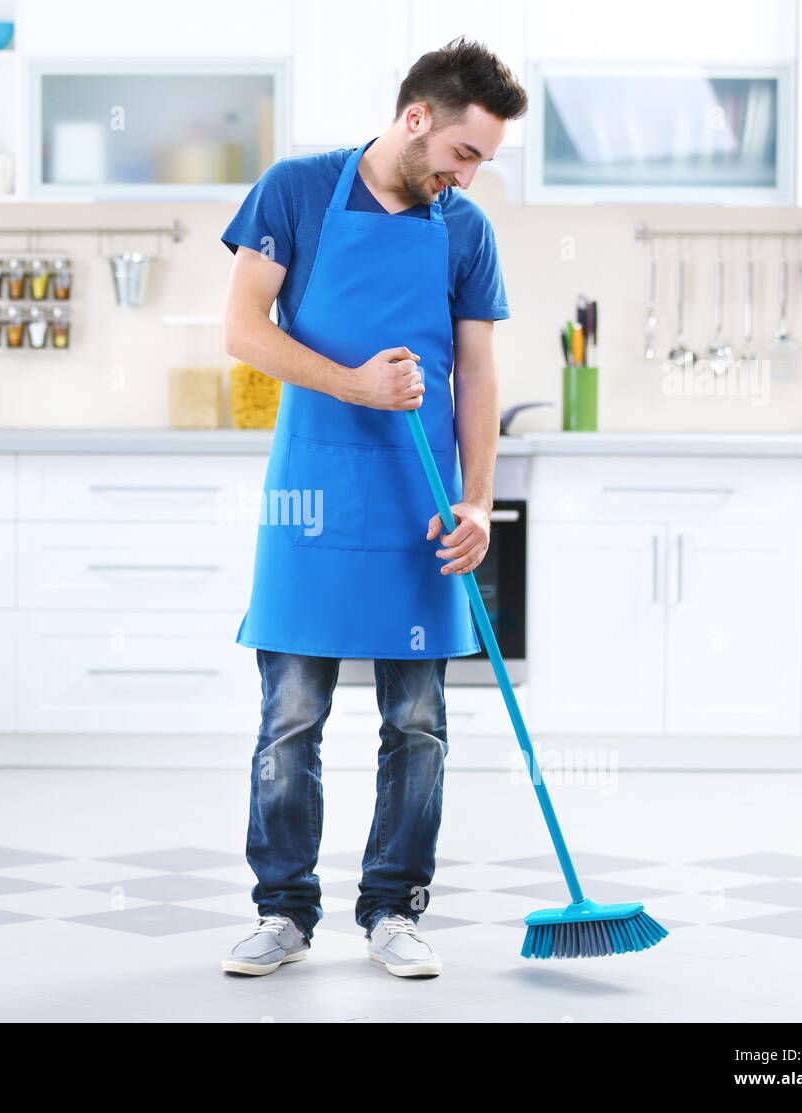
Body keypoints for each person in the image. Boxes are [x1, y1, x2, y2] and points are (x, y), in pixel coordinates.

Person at [218, 38, 527, 979]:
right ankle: (283, 910)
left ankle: (394, 906)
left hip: (419, 501)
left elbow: (475, 372)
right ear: (418, 118)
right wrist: (354, 385)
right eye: (465, 153)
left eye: (482, 163)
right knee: (292, 716)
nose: (468, 176)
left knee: (420, 720)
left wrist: (477, 501)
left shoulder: (464, 230)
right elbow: (241, 330)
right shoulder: (297, 191)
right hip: (311, 493)